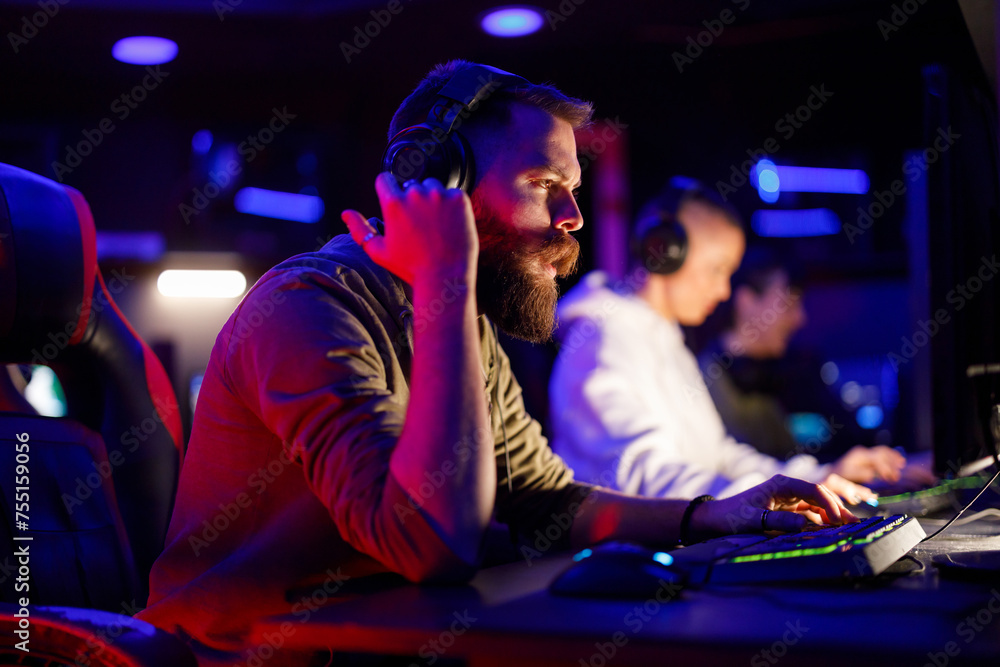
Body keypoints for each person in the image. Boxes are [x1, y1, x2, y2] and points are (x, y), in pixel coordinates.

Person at [138, 66, 855, 667]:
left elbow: (546, 503)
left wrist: (711, 516)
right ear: (438, 179)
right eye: (544, 182)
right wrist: (445, 275)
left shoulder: (464, 319)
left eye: (574, 187)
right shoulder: (306, 309)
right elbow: (431, 543)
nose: (571, 215)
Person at [549, 177, 907, 502]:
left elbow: (717, 455)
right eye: (717, 269)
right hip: (623, 566)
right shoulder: (603, 337)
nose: (723, 291)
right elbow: (640, 475)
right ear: (664, 251)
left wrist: (813, 479)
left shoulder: (664, 339)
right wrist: (756, 501)